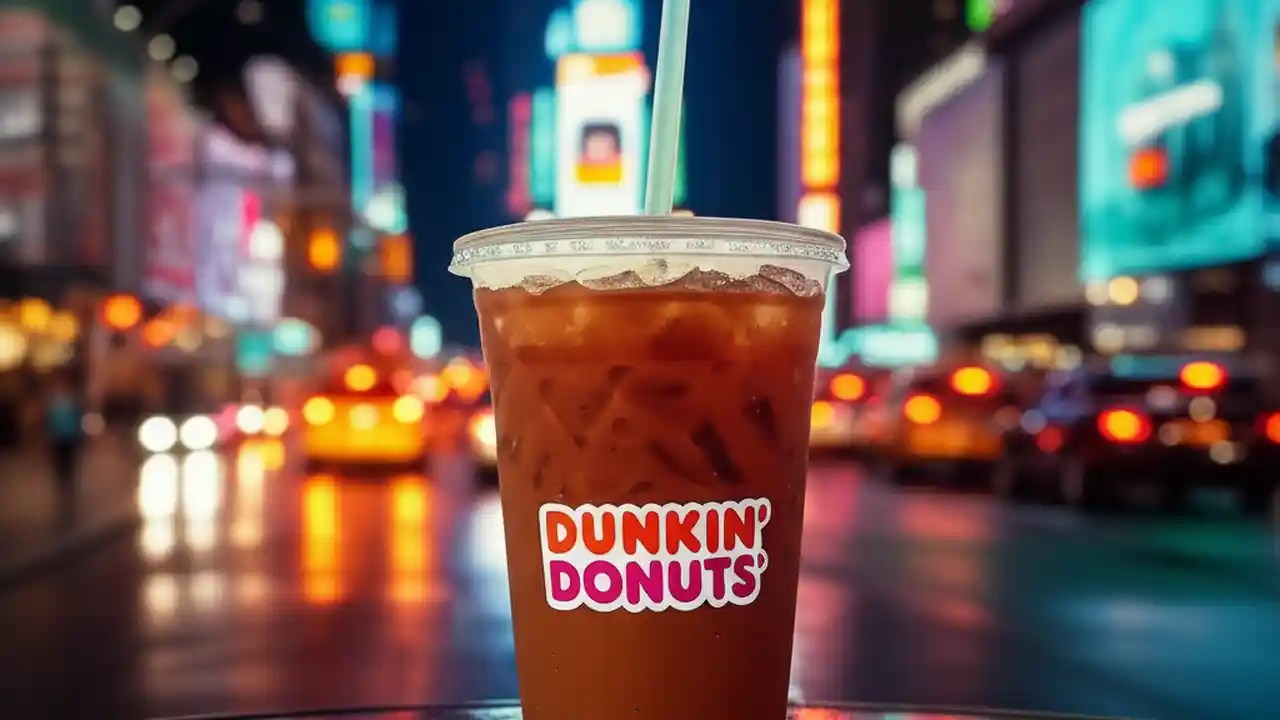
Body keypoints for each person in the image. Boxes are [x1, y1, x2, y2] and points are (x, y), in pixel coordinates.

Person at [45, 376, 84, 494]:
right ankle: (63, 481)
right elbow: (50, 419)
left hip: (69, 436)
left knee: (69, 461)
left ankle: (67, 481)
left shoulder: (71, 400)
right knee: (60, 461)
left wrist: (78, 433)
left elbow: (77, 417)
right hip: (58, 436)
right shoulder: (53, 401)